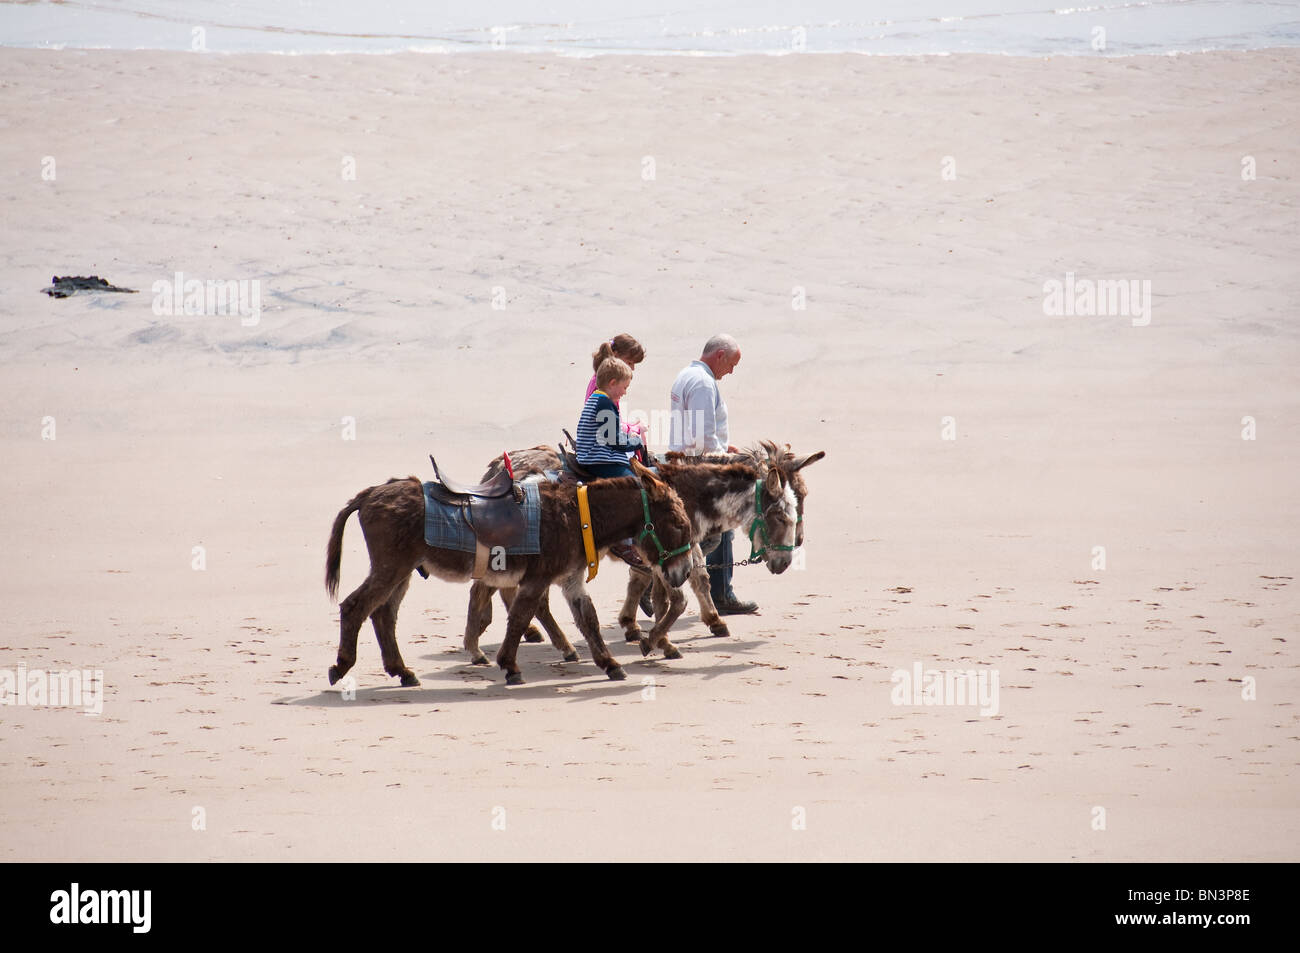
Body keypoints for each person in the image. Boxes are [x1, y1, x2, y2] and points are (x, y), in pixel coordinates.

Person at [667, 334, 756, 615]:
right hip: (701, 467)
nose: (731, 371)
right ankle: (715, 592)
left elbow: (696, 430)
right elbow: (703, 439)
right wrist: (725, 458)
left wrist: (721, 445)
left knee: (716, 531)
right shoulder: (704, 383)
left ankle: (719, 592)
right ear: (719, 355)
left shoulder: (686, 375)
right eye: (731, 364)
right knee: (717, 531)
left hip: (685, 461)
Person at [576, 356, 646, 566]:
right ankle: (622, 540)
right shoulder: (604, 402)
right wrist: (636, 442)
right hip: (601, 460)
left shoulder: (596, 399)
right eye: (624, 387)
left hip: (597, 457)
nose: (625, 392)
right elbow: (613, 439)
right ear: (612, 383)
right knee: (636, 488)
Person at [586, 334, 647, 444]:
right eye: (629, 362)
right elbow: (608, 428)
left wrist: (630, 426)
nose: (632, 368)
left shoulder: (601, 381)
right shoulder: (604, 389)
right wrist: (634, 429)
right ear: (615, 355)